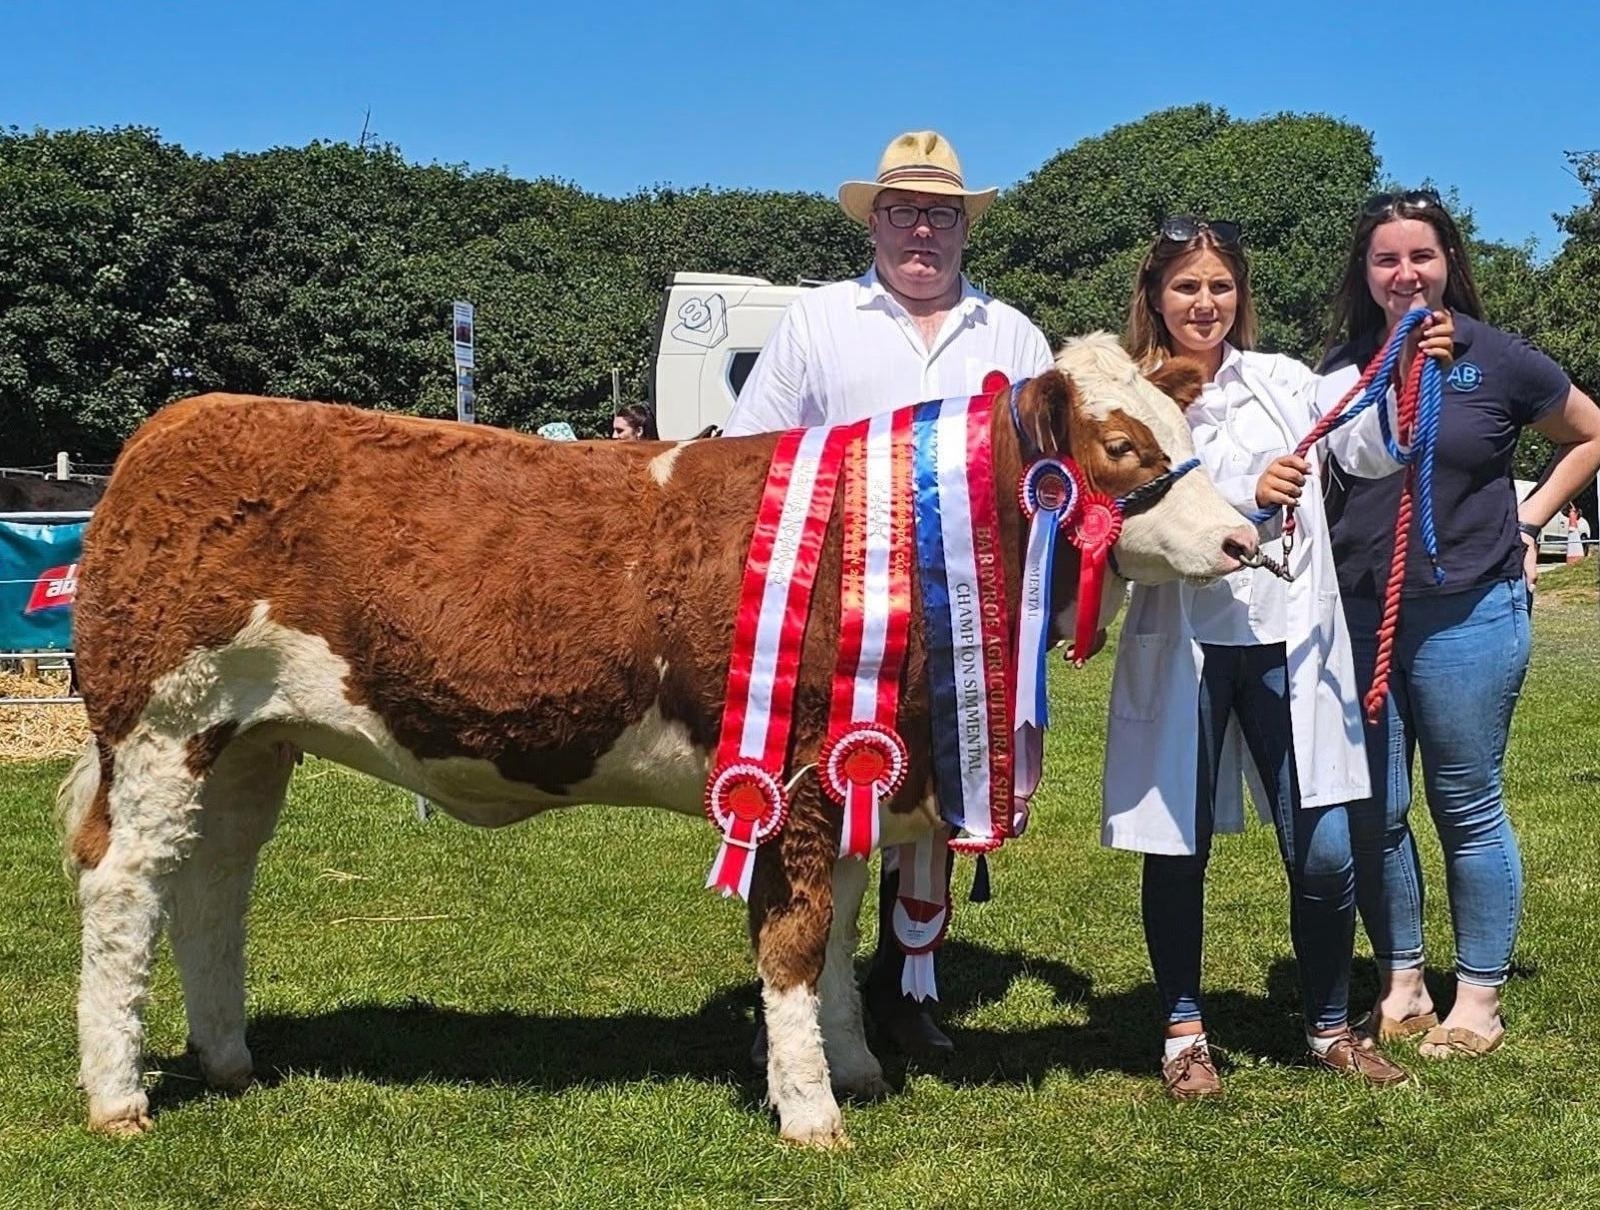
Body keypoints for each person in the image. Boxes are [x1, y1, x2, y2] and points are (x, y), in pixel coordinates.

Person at [1103, 216, 1453, 1097]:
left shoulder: (1288, 381)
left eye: (1220, 286)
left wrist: (1407, 371)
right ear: (1156, 296)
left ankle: (1331, 1024)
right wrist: (1247, 498)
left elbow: (1364, 450)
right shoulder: (1131, 396)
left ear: (1241, 297)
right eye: (1186, 286)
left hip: (1288, 640)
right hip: (1184, 640)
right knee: (1177, 846)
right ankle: (1184, 1029)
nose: (1205, 303)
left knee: (1328, 849)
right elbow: (1131, 523)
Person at [724, 130, 1055, 1059]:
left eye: (941, 214)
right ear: (873, 221)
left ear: (964, 228)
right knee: (809, 803)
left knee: (943, 799)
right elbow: (748, 457)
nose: (922, 231)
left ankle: (908, 984)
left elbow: (1045, 486)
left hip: (964, 616)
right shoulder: (816, 321)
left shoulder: (1015, 336)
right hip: (829, 616)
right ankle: (793, 990)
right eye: (903, 211)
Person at [1321, 189, 1600, 1058]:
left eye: (1422, 256)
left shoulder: (1499, 358)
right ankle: (1400, 981)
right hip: (1361, 612)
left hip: (1467, 610)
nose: (1405, 273)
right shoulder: (1341, 366)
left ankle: (1478, 997)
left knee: (1465, 801)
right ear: (1365, 275)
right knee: (1379, 811)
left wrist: (1531, 520)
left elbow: (1589, 433)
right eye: (1386, 259)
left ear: (1449, 264)